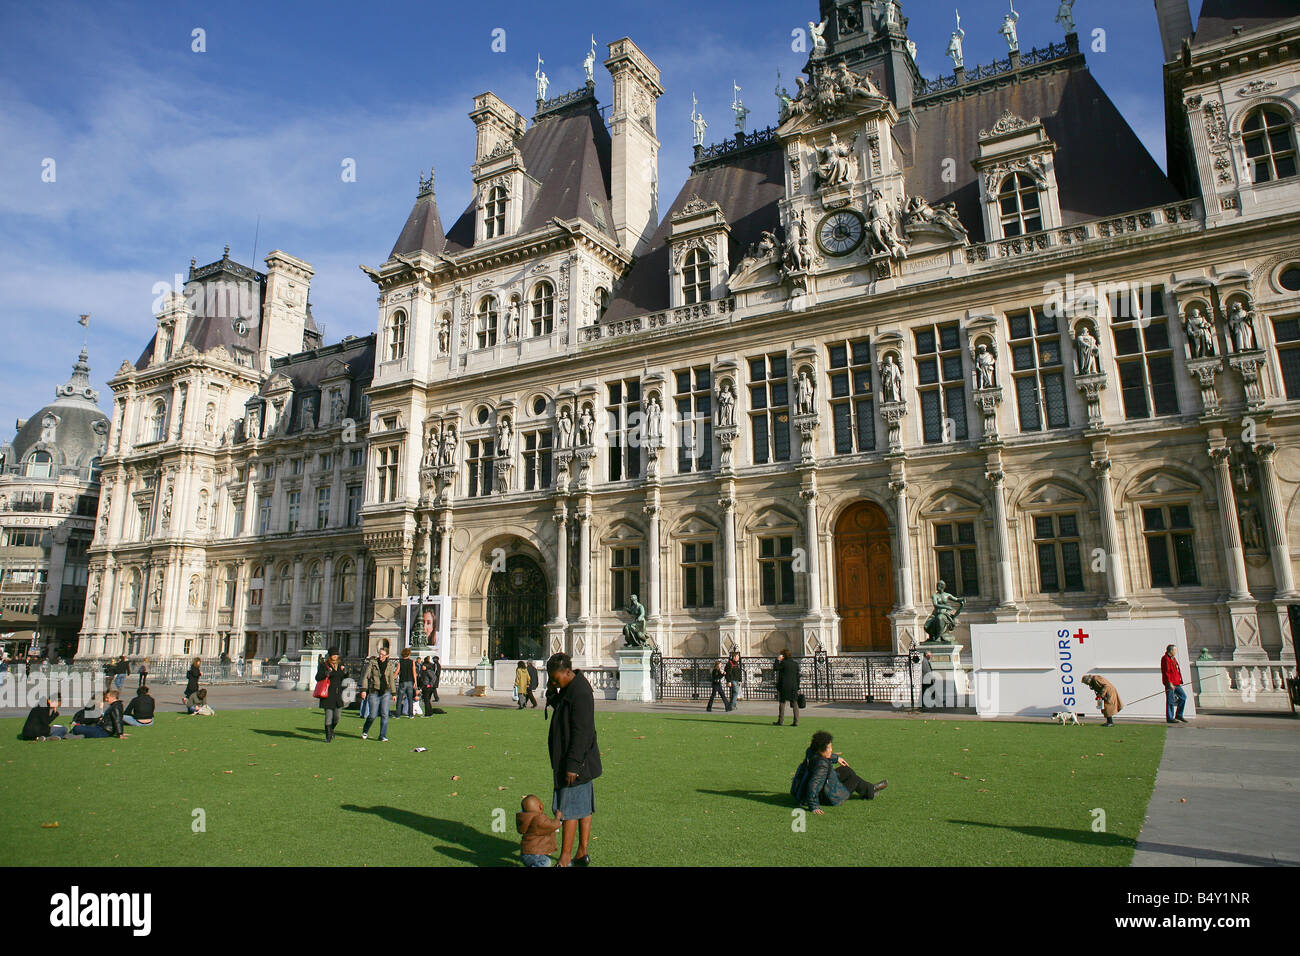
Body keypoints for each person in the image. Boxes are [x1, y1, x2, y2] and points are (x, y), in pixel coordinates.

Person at [545, 652, 601, 867]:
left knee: (568, 810)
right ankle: (582, 852)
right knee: (584, 807)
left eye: (555, 679)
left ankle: (566, 856)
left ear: (567, 672)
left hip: (574, 761)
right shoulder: (570, 687)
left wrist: (573, 765)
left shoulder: (580, 693)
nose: (553, 682)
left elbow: (583, 732)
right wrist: (553, 691)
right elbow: (556, 703)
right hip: (578, 761)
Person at [792, 730, 887, 814]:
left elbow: (822, 757)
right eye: (829, 748)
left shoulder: (811, 752)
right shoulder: (822, 765)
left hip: (813, 788)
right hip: (827, 797)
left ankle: (869, 790)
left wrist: (836, 758)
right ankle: (871, 791)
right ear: (821, 749)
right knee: (855, 779)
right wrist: (813, 806)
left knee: (847, 770)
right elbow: (814, 784)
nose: (831, 750)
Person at [360, 646, 398, 741]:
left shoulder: (389, 665)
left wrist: (394, 693)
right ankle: (365, 730)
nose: (381, 656)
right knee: (373, 714)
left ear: (387, 655)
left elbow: (391, 680)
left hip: (385, 691)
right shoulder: (373, 663)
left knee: (385, 714)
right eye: (380, 654)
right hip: (374, 691)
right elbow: (365, 677)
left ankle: (382, 735)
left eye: (383, 655)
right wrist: (364, 690)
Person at [516, 794, 564, 868]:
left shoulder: (525, 819)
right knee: (545, 862)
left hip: (526, 852)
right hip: (533, 853)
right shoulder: (538, 819)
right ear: (541, 806)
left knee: (541, 861)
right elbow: (551, 825)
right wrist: (557, 818)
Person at [316, 650, 348, 742]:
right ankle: (328, 737)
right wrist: (325, 674)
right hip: (328, 694)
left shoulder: (340, 665)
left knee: (337, 716)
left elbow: (343, 677)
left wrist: (345, 673)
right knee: (328, 716)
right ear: (330, 656)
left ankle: (331, 729)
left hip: (338, 694)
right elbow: (317, 677)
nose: (335, 656)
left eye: (336, 655)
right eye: (333, 655)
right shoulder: (324, 665)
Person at [1161, 644, 1188, 724]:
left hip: (1176, 683)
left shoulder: (1173, 659)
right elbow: (1166, 672)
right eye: (1175, 650)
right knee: (1170, 700)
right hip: (1170, 683)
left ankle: (1179, 714)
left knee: (1183, 697)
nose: (1176, 651)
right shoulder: (1165, 659)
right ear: (1171, 650)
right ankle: (1170, 717)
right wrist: (1169, 683)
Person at [774, 649, 800, 726]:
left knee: (782, 703)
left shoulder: (783, 663)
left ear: (783, 656)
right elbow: (797, 676)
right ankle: (796, 721)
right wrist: (798, 687)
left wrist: (777, 660)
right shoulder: (795, 664)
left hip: (784, 686)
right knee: (795, 703)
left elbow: (775, 668)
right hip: (793, 686)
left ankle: (781, 720)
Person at [397, 647, 417, 718]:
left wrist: (392, 678)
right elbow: (414, 672)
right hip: (410, 681)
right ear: (409, 654)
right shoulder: (412, 662)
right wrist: (415, 682)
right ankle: (410, 714)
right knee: (410, 699)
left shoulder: (400, 662)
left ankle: (398, 715)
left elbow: (397, 671)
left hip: (402, 681)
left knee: (399, 699)